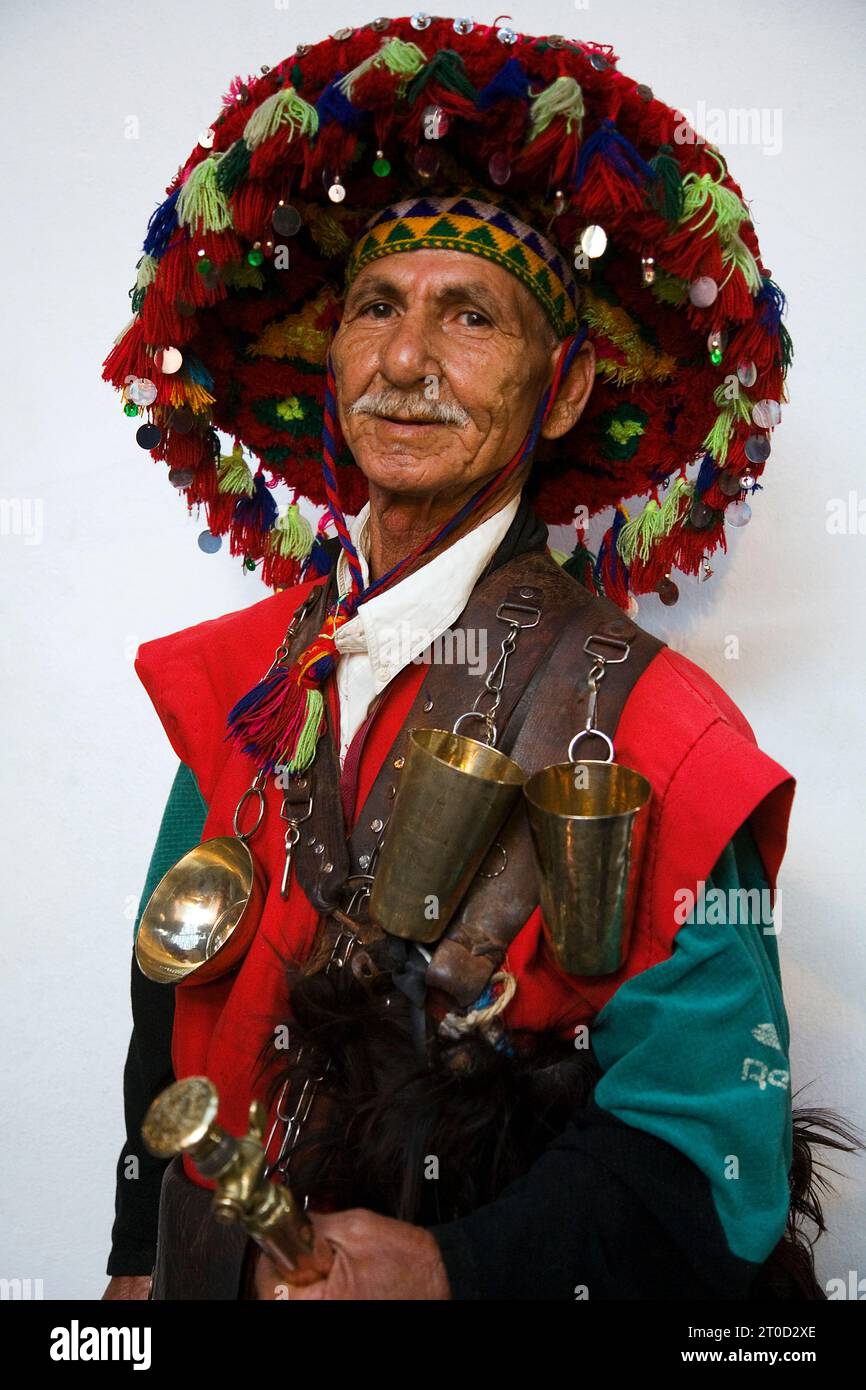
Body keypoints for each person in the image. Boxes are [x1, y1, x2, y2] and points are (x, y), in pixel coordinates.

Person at [101, 16, 857, 1301]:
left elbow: (717, 1154)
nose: (406, 361)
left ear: (558, 392)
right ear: (326, 360)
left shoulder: (661, 730)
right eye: (378, 310)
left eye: (470, 319)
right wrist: (133, 1262)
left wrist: (459, 1270)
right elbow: (168, 987)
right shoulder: (246, 680)